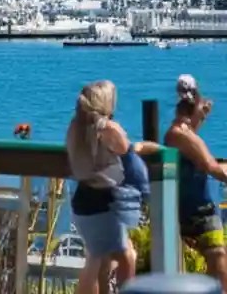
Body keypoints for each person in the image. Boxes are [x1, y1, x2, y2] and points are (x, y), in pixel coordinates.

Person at [65, 80, 154, 294]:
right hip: (104, 201)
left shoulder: (75, 127)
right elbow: (128, 154)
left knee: (98, 258)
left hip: (83, 199)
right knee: (119, 257)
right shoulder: (108, 129)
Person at [164, 74, 227, 289]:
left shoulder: (181, 133)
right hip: (199, 213)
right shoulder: (183, 136)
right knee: (219, 259)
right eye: (202, 109)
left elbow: (195, 148)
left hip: (194, 209)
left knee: (216, 262)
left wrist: (200, 113)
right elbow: (211, 166)